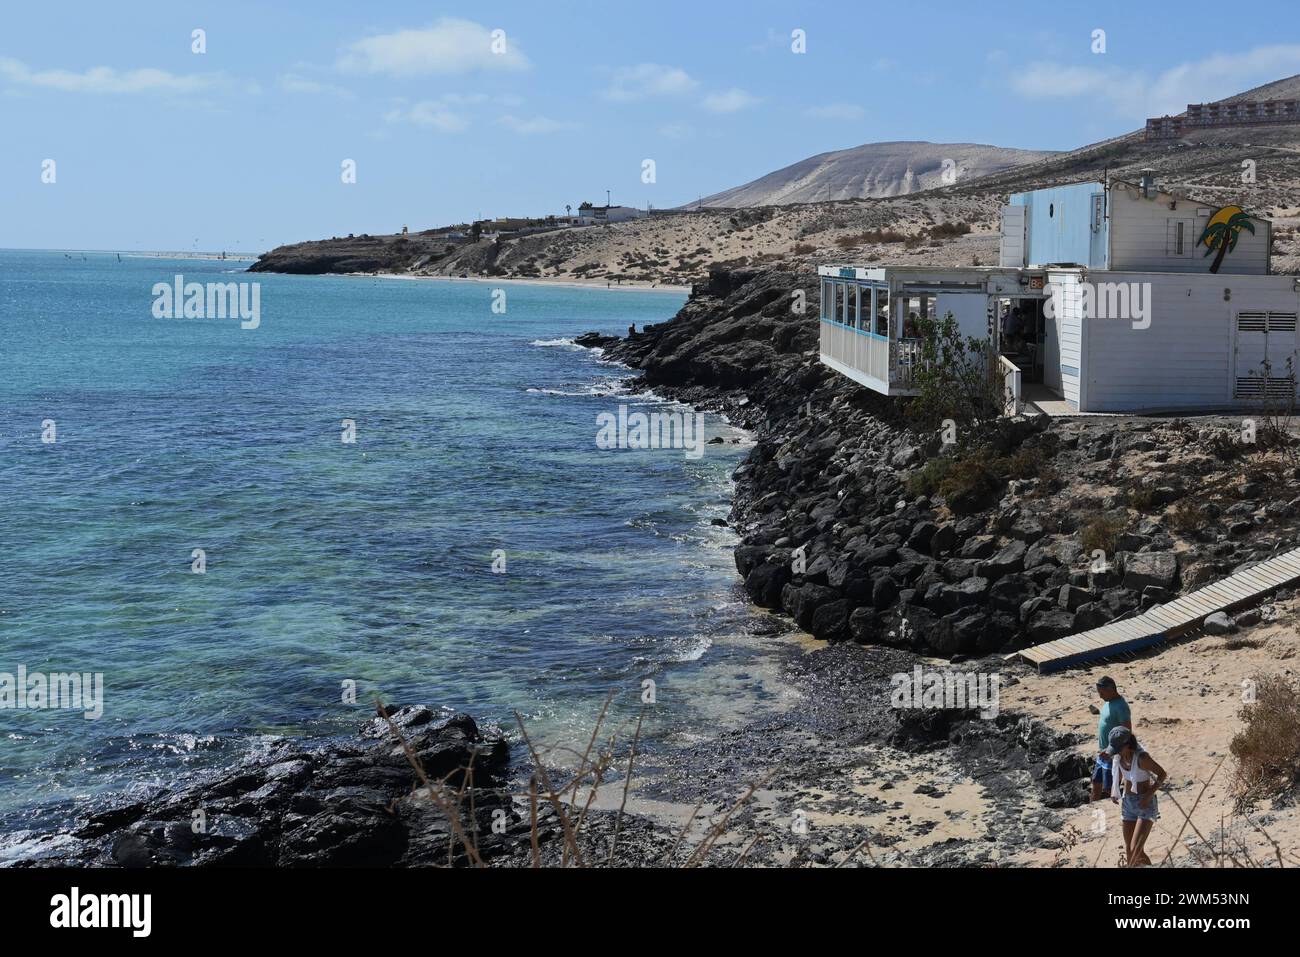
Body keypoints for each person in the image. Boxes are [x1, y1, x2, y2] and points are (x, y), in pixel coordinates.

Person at [1107, 727, 1167, 867]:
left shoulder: (1142, 758)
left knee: (1136, 849)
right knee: (1129, 849)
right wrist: (1114, 791)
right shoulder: (1119, 756)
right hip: (1128, 803)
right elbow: (1121, 773)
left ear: (1127, 746)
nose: (1114, 753)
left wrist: (1148, 795)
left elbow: (1162, 774)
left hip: (1145, 805)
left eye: (1117, 749)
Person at [1091, 676, 1132, 802]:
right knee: (1096, 782)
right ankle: (1091, 807)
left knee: (1109, 788)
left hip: (1112, 753)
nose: (1100, 696)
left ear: (1111, 689)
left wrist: (1114, 752)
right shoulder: (1108, 702)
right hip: (1103, 752)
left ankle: (1126, 805)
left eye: (1102, 692)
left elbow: (1126, 731)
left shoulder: (1121, 707)